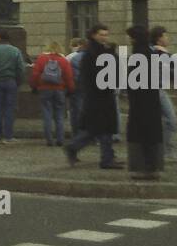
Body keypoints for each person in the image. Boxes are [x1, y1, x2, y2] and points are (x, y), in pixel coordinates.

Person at [65, 25, 122, 169]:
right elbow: (95, 74)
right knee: (101, 129)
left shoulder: (99, 51)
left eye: (106, 35)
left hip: (101, 95)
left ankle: (105, 156)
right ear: (94, 35)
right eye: (102, 34)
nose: (104, 37)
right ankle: (106, 158)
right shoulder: (92, 53)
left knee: (97, 129)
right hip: (98, 96)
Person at [124, 25, 164, 180]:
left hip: (141, 102)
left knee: (142, 133)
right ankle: (152, 166)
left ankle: (146, 167)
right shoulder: (150, 52)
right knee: (151, 133)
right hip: (150, 100)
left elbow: (133, 80)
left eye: (131, 38)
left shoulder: (138, 54)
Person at [0, 30, 26, 144]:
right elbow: (21, 69)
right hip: (11, 82)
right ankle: (8, 136)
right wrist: (18, 82)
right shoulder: (15, 51)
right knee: (10, 109)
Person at [28, 41, 74, 147]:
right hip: (60, 90)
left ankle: (49, 139)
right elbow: (69, 76)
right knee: (59, 115)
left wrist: (34, 86)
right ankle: (60, 139)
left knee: (47, 114)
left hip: (44, 89)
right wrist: (71, 89)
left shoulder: (41, 58)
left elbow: (35, 74)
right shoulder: (63, 60)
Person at [149, 26, 177, 160]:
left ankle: (163, 150)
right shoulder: (158, 53)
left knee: (162, 120)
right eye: (165, 36)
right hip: (157, 89)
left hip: (158, 88)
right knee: (170, 119)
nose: (168, 38)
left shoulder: (160, 53)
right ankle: (167, 151)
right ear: (158, 38)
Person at [67, 37, 86, 136]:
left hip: (78, 87)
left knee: (76, 110)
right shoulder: (95, 56)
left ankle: (78, 133)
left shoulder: (73, 57)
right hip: (90, 88)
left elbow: (71, 75)